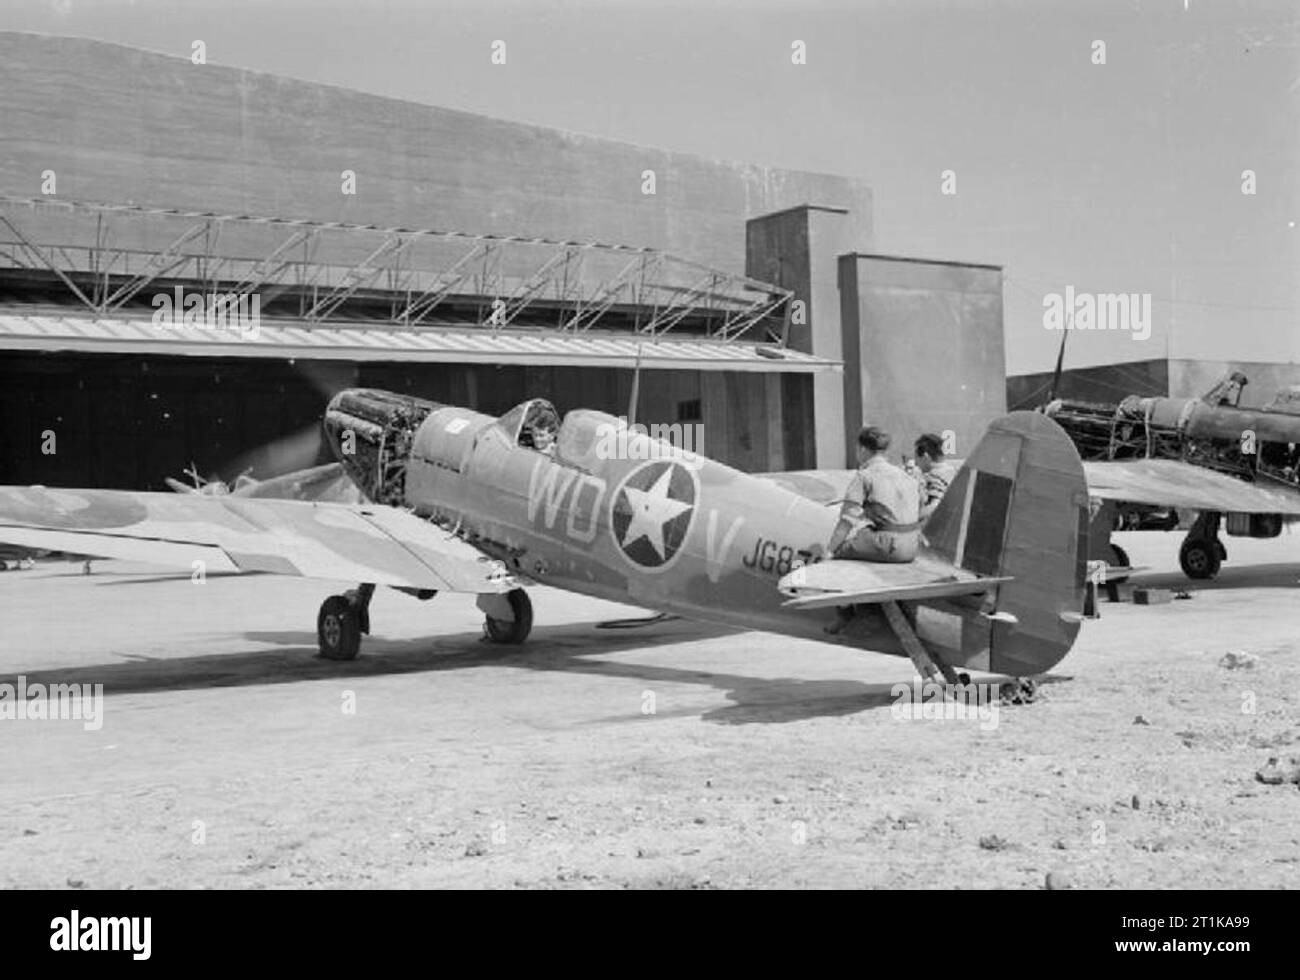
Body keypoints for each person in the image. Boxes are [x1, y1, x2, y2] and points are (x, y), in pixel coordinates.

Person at [826, 425, 921, 563]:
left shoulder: (865, 476)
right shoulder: (905, 475)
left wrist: (829, 551)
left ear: (862, 449)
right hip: (913, 546)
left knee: (840, 549)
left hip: (890, 546)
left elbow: (847, 521)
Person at [911, 433, 961, 522]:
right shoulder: (952, 471)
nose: (915, 463)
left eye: (916, 458)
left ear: (925, 457)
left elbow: (935, 505)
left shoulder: (934, 477)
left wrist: (912, 517)